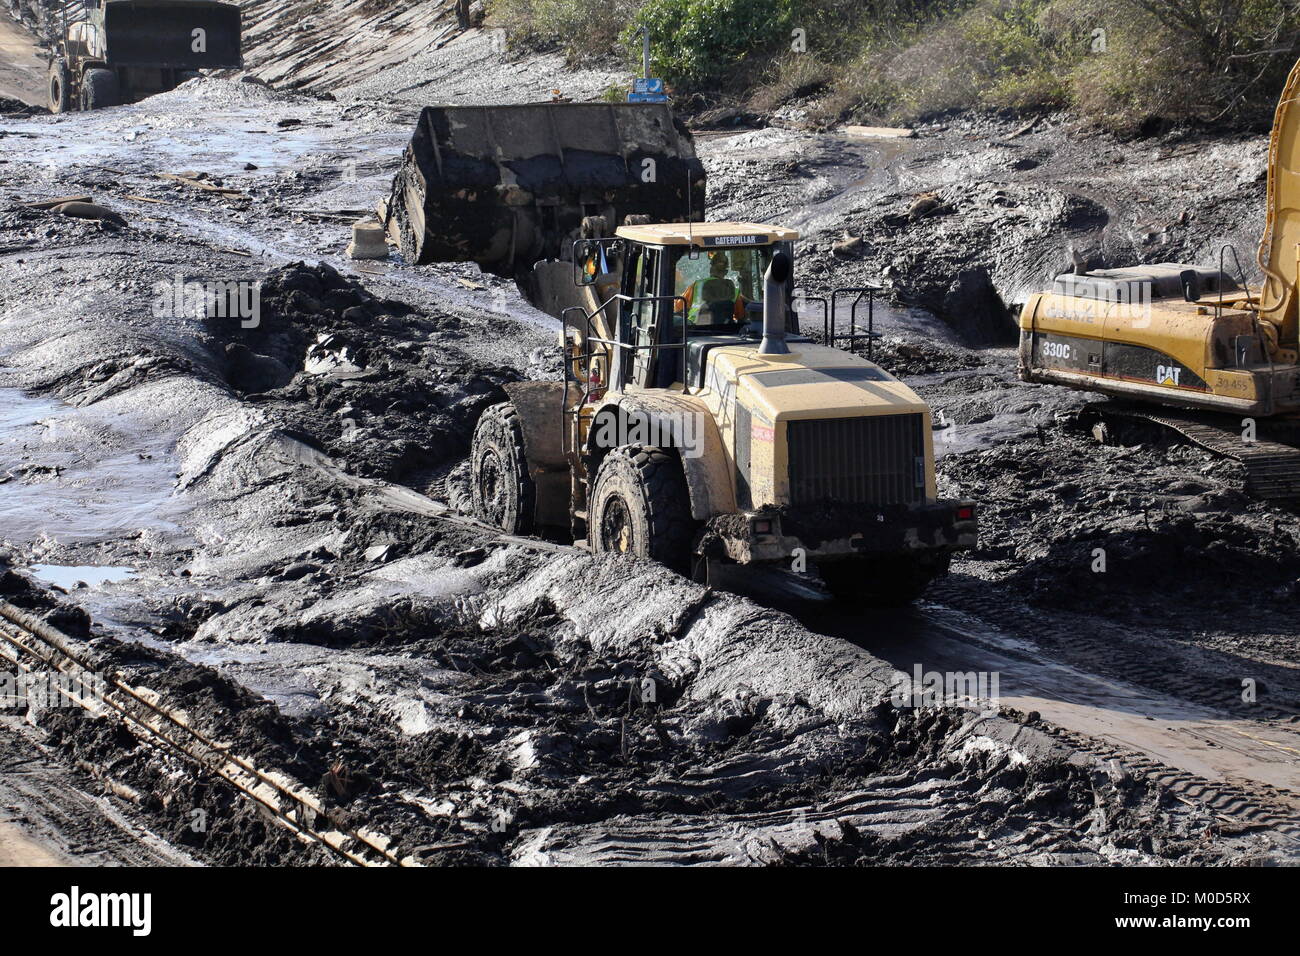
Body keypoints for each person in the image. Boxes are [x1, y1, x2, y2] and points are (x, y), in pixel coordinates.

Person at [680, 251, 746, 324]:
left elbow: (678, 307)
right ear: (726, 272)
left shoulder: (697, 285)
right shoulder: (735, 291)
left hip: (695, 329)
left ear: (711, 269)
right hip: (725, 330)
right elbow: (740, 316)